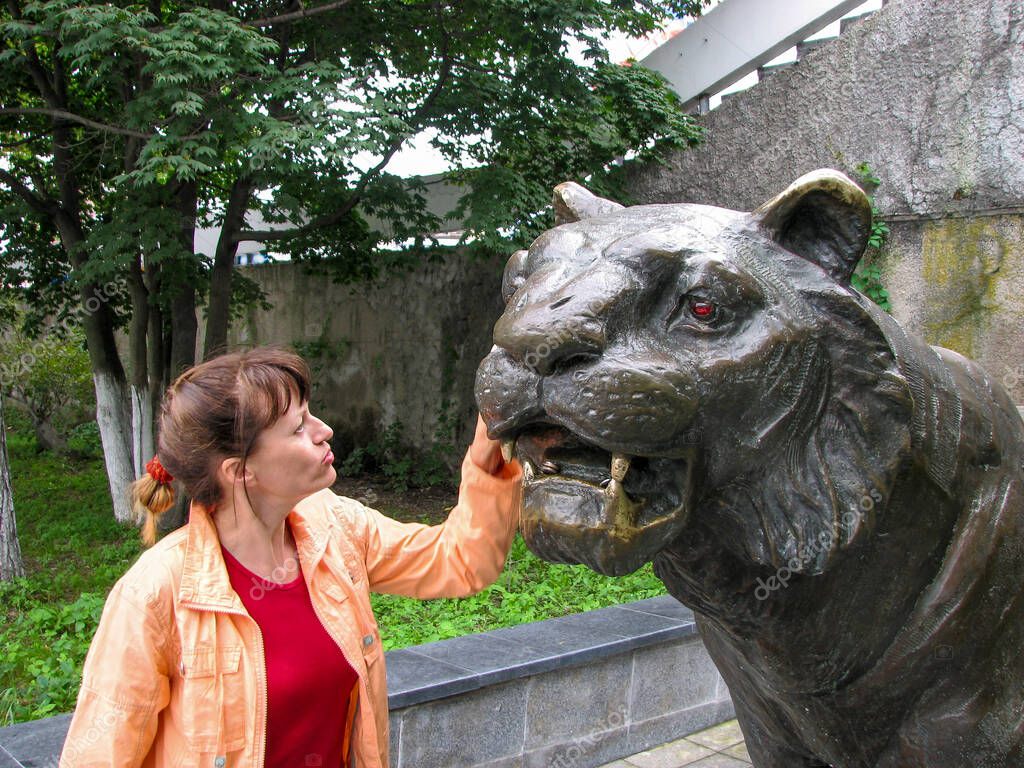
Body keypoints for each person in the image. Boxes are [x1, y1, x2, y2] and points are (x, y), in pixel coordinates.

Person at [59, 347, 522, 768]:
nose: (324, 431)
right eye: (298, 427)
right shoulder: (155, 596)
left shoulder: (334, 528)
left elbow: (460, 560)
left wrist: (487, 450)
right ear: (242, 472)